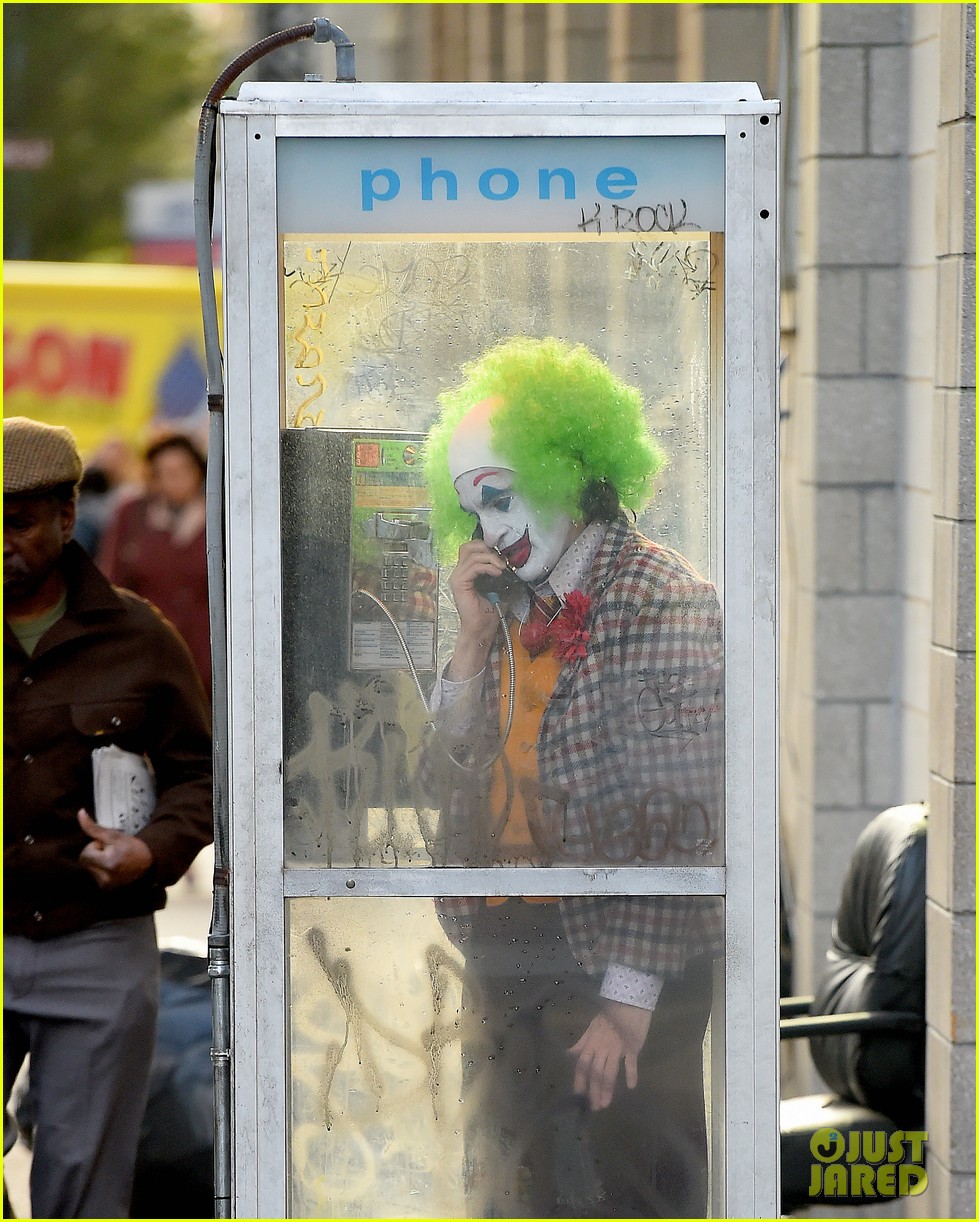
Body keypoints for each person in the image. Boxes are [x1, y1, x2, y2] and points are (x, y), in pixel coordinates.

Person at [422, 337, 724, 1217]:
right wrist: (471, 647)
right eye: (473, 509)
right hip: (506, 938)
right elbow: (446, 777)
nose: (493, 530)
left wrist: (628, 1002)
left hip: (614, 949)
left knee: (623, 1190)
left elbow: (681, 812)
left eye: (504, 497)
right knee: (512, 1190)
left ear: (572, 470)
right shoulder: (511, 604)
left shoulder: (659, 596)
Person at [3, 416, 213, 1219]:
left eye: (17, 521)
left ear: (65, 516)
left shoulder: (137, 638)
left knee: (83, 1181)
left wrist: (150, 850)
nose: (1, 541)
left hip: (96, 944)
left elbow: (199, 775)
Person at [98, 433, 210, 690]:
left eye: (183, 469)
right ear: (154, 478)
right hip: (150, 646)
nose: (176, 479)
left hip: (207, 650)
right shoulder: (132, 514)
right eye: (166, 472)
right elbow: (113, 581)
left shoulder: (218, 515)